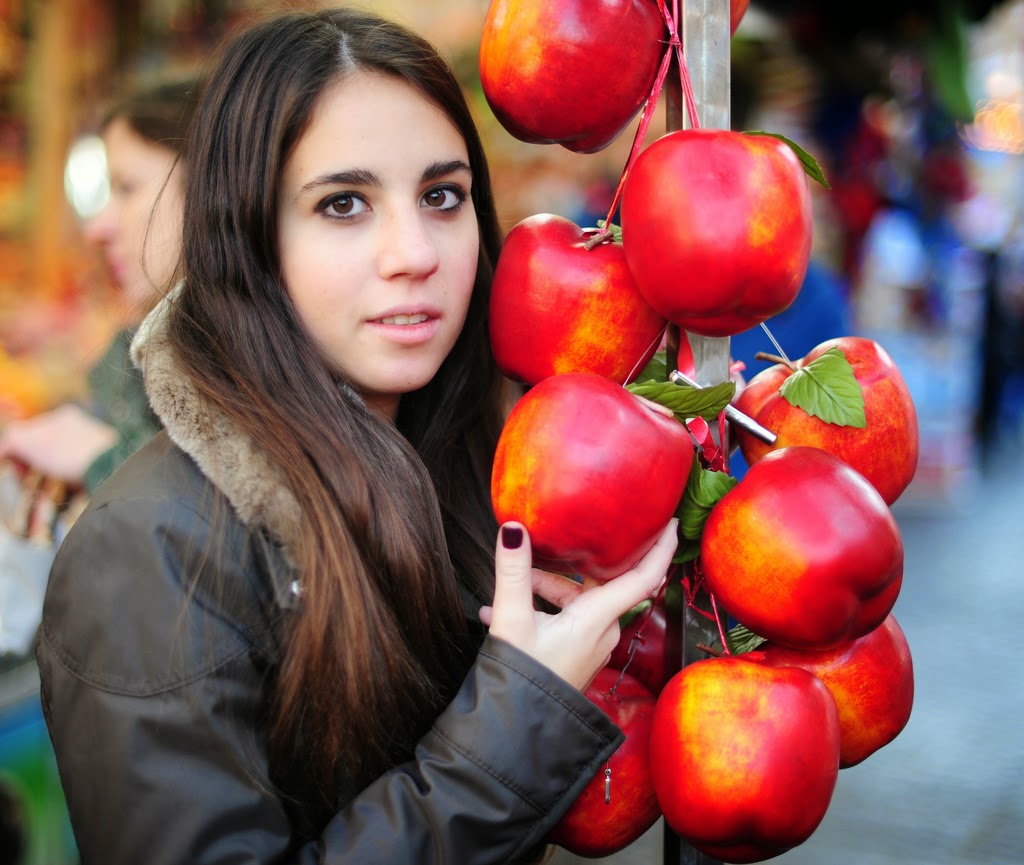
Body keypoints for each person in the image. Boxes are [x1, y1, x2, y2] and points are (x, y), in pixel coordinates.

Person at [35, 8, 677, 865]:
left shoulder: (479, 474)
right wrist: (515, 719)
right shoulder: (153, 549)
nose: (414, 253)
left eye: (442, 196)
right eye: (343, 204)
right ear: (248, 235)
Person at [0, 73, 201, 493]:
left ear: (211, 190)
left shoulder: (251, 376)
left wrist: (103, 458)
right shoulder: (142, 353)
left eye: (126, 188)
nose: (96, 228)